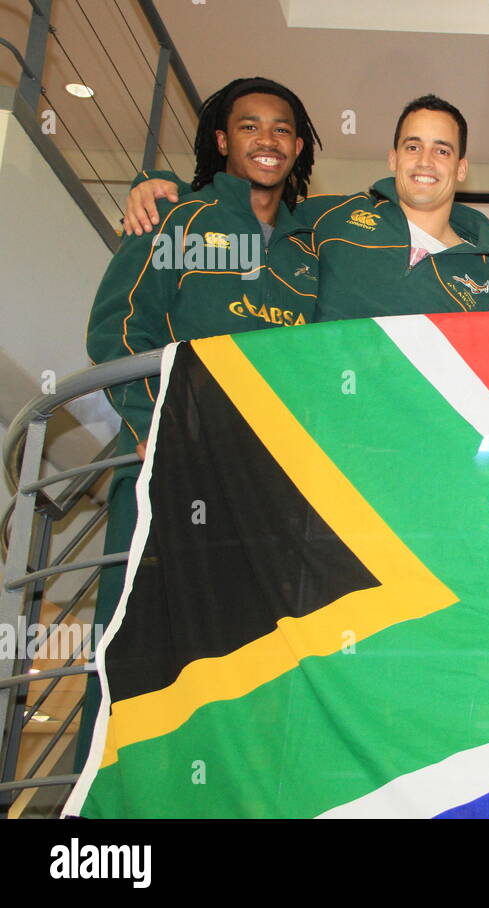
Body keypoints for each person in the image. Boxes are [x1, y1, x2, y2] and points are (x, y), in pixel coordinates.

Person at [81, 76, 323, 763]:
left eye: (281, 129)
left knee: (249, 673)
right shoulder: (177, 220)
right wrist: (160, 442)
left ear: (299, 146)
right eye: (249, 127)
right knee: (140, 659)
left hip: (267, 500)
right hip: (170, 483)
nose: (267, 141)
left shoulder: (314, 247)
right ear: (222, 140)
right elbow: (118, 339)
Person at [123, 94, 489, 320]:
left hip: (416, 444)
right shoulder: (329, 216)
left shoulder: (487, 281)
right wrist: (163, 187)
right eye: (412, 146)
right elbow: (249, 206)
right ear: (393, 158)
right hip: (316, 433)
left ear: (461, 168)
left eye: (442, 150)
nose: (425, 161)